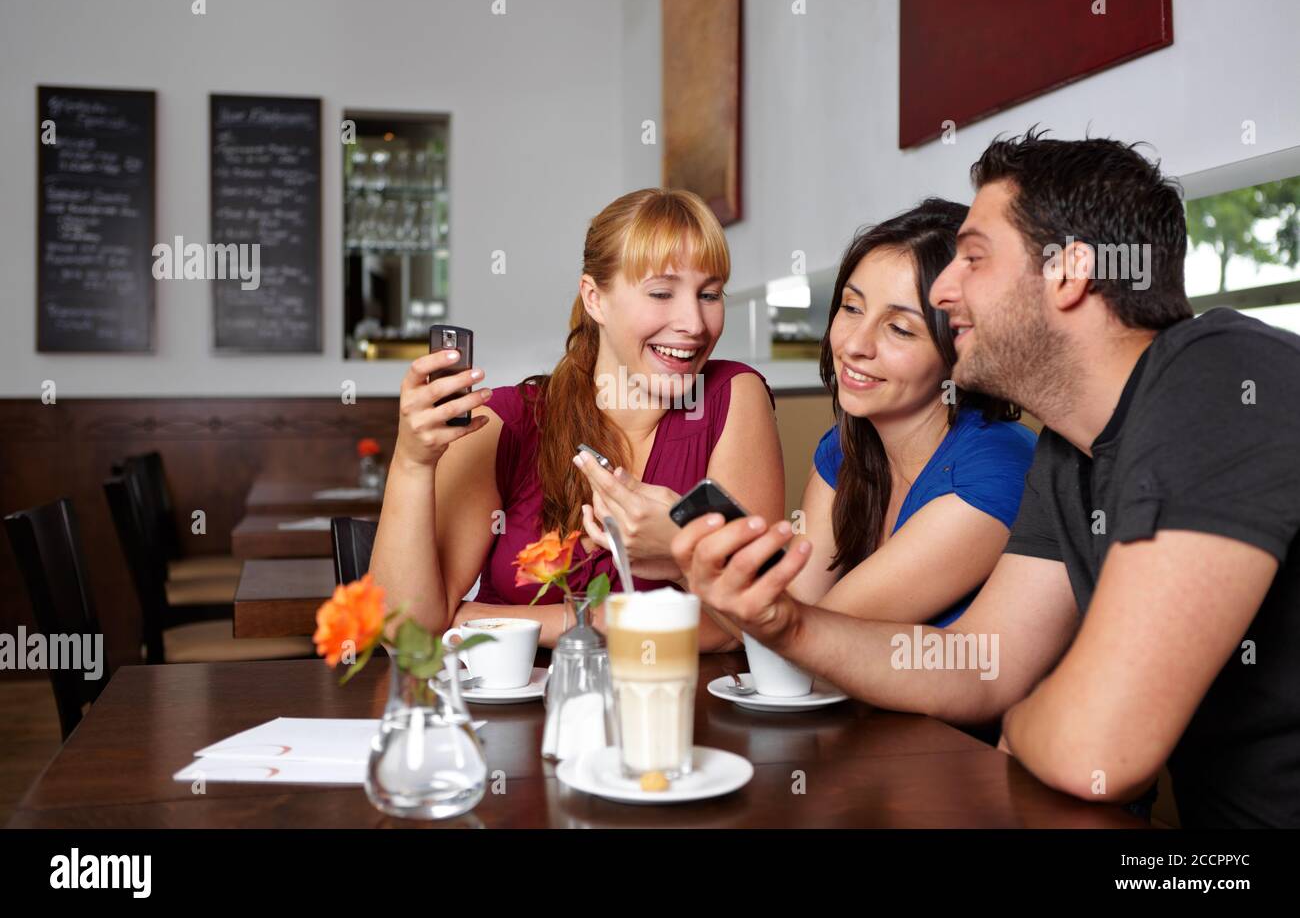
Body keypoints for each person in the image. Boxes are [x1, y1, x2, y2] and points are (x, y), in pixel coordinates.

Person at [672, 128, 1300, 827]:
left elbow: (1099, 748)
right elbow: (980, 666)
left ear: (1070, 272)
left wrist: (1026, 717)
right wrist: (783, 622)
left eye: (972, 258)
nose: (944, 290)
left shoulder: (1220, 371)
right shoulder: (1070, 454)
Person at [370, 187, 783, 649]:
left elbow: (751, 626)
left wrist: (503, 621)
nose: (694, 323)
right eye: (662, 292)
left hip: (672, 709)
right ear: (594, 299)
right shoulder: (507, 423)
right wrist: (411, 462)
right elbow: (405, 631)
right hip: (510, 715)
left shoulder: (733, 397)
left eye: (710, 294)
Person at [789, 198, 1035, 631]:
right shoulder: (844, 449)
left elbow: (807, 631)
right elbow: (793, 607)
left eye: (900, 328)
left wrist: (683, 552)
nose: (855, 345)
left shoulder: (997, 469)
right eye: (851, 307)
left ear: (961, 344)